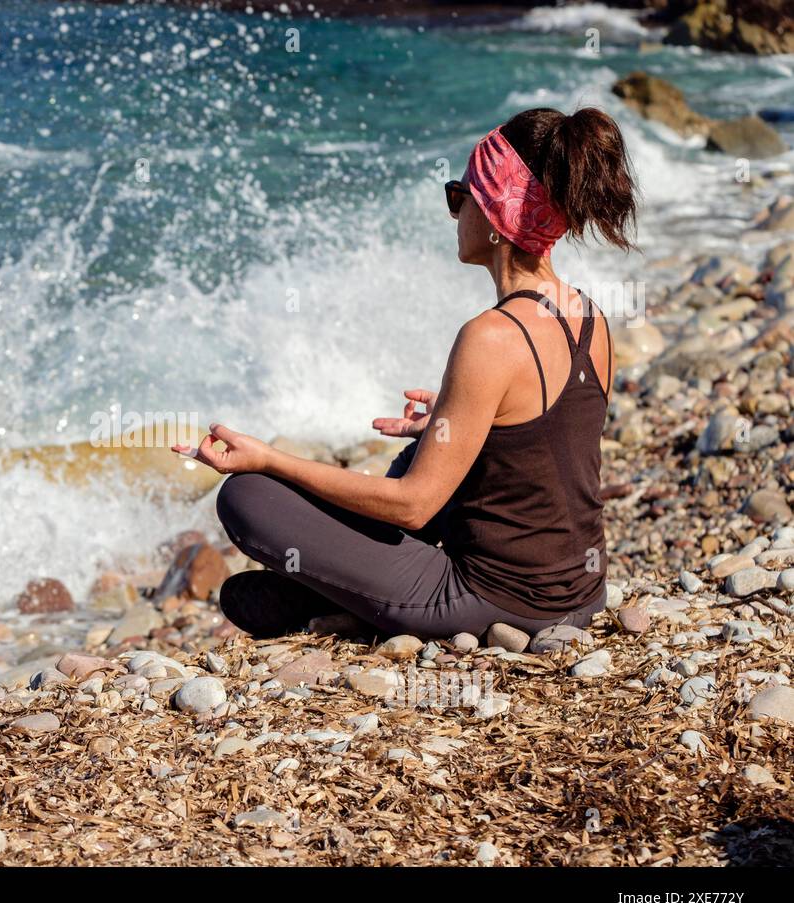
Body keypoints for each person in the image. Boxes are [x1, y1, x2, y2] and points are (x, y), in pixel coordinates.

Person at [176, 107, 637, 641]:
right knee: (424, 448)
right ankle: (341, 594)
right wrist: (458, 426)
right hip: (581, 592)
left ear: (493, 212)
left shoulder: (490, 336)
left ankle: (347, 595)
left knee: (246, 496)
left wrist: (270, 459)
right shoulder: (590, 316)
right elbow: (548, 453)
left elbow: (414, 508)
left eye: (457, 195)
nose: (453, 212)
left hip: (495, 599)